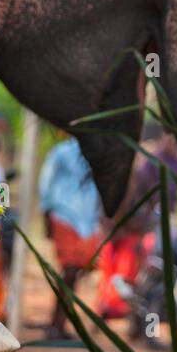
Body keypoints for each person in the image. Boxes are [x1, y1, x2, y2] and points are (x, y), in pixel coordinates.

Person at [38, 135, 105, 337]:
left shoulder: (99, 154)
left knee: (77, 273)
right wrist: (46, 215)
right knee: (70, 271)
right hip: (64, 214)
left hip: (87, 220)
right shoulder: (62, 152)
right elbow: (46, 183)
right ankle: (56, 324)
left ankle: (60, 322)